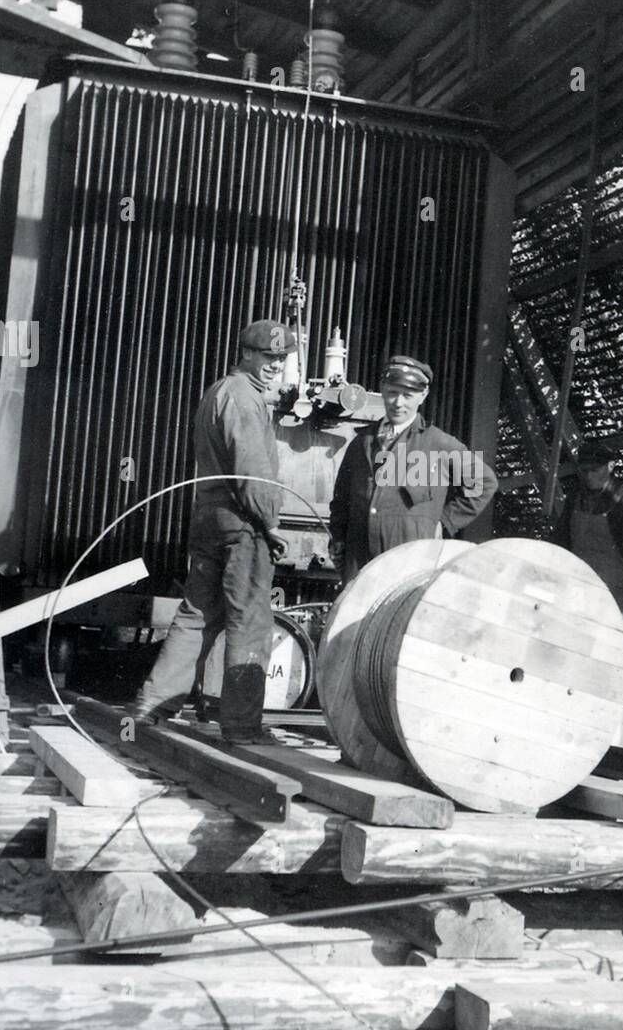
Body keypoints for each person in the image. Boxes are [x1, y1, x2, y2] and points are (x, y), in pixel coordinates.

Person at [132, 320, 295, 746]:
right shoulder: (245, 399)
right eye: (267, 357)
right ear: (246, 353)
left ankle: (151, 707)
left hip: (208, 520)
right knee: (250, 622)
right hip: (243, 526)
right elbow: (253, 473)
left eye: (280, 359)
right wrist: (271, 524)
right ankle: (242, 728)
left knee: (196, 616)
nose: (275, 366)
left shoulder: (220, 391)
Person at [329, 355, 497, 583]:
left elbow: (485, 482)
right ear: (382, 389)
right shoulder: (361, 442)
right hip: (359, 561)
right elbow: (341, 500)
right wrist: (338, 537)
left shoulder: (440, 444)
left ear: (423, 396)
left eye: (408, 396)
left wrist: (446, 521)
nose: (398, 403)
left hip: (410, 562)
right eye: (392, 393)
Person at [550, 437, 623, 640]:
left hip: (615, 591)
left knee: (622, 645)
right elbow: (560, 542)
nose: (589, 476)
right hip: (579, 587)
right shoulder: (575, 499)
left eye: (595, 470)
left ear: (610, 466)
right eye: (585, 470)